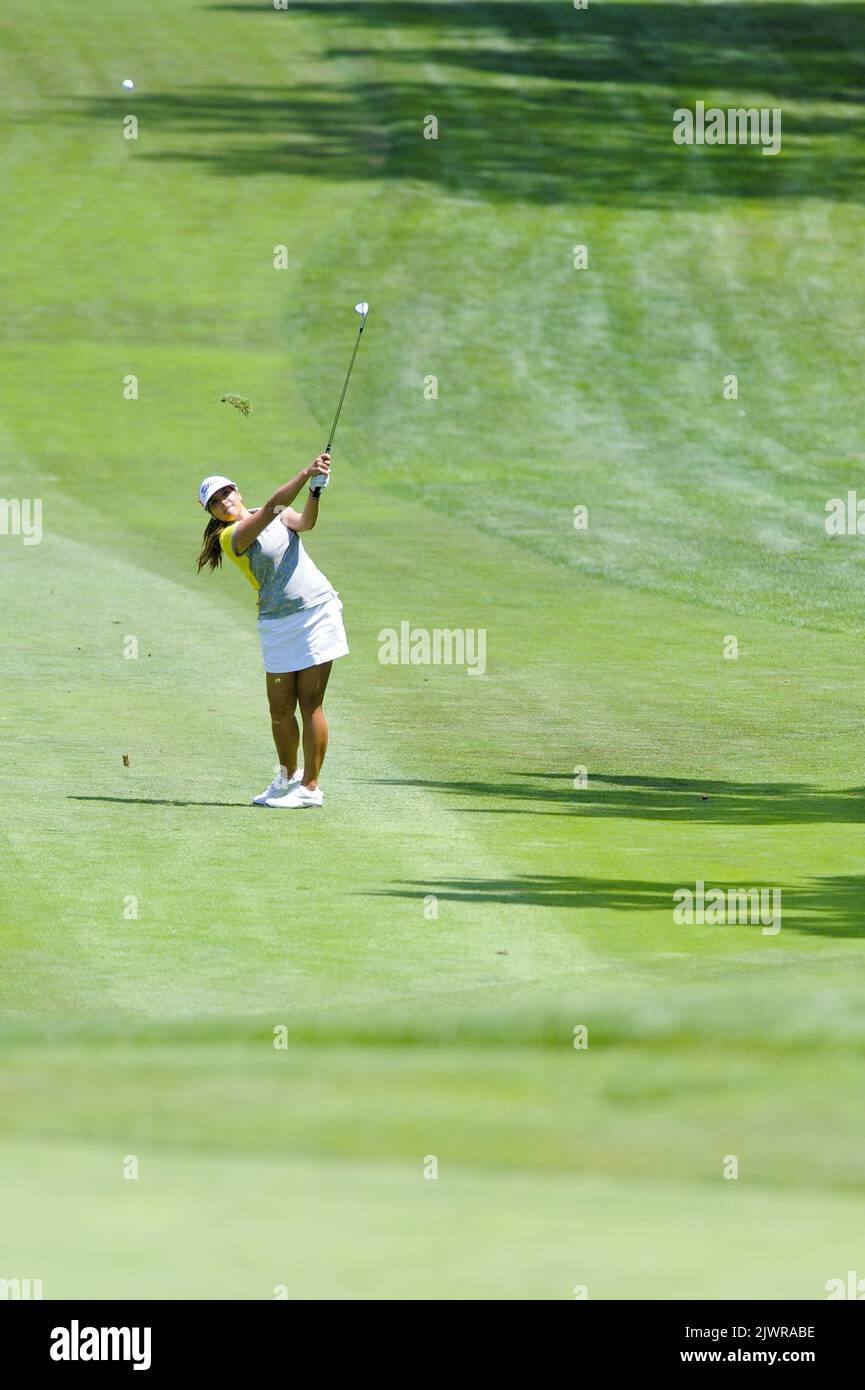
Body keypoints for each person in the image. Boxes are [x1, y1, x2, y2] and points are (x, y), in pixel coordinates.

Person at [196, 456, 347, 808]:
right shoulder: (230, 536)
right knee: (279, 709)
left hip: (317, 612)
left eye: (226, 493)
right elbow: (272, 510)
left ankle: (310, 788)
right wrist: (306, 472)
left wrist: (315, 492)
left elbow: (305, 522)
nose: (224, 502)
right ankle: (287, 777)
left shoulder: (275, 510)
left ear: (237, 490)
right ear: (211, 513)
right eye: (215, 502)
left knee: (310, 703)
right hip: (278, 624)